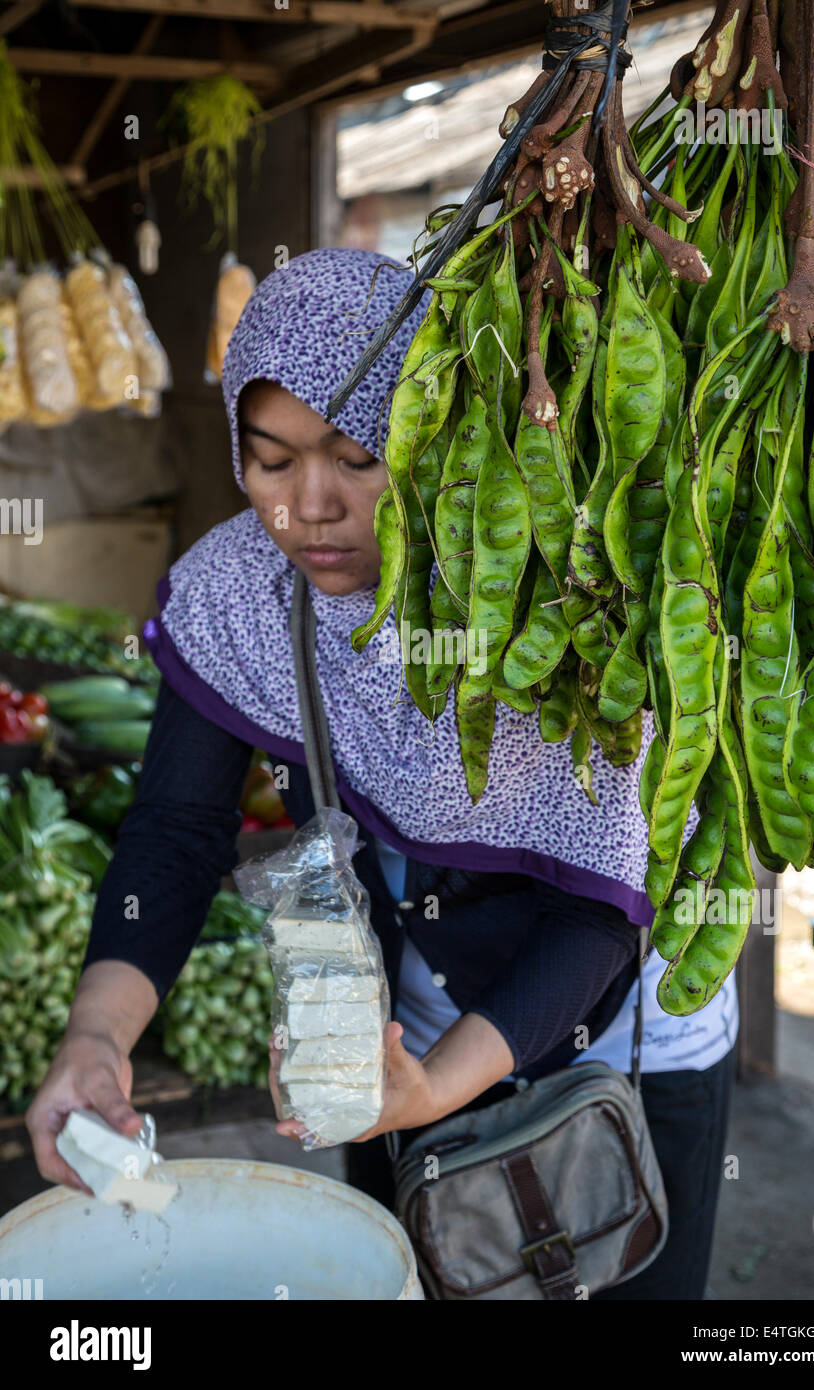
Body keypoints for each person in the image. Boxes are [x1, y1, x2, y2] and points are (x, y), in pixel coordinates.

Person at [26, 247, 737, 1300]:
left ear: (428, 423)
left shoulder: (544, 587)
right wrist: (95, 1037)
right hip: (400, 1036)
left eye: (355, 456)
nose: (308, 505)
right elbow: (174, 835)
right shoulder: (238, 598)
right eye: (269, 461)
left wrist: (434, 1086)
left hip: (618, 1039)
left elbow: (594, 913)